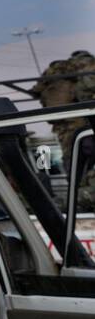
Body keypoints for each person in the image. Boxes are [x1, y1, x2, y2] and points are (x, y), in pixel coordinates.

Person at [36, 50, 95, 210]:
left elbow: (37, 88)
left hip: (70, 123)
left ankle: (77, 197)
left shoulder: (63, 68)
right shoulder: (87, 67)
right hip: (80, 120)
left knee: (74, 162)